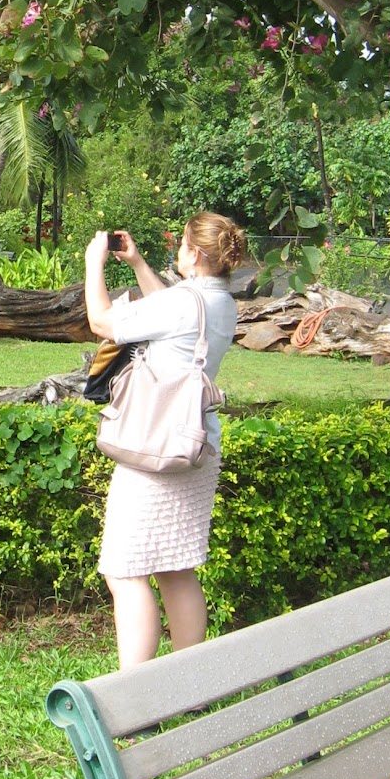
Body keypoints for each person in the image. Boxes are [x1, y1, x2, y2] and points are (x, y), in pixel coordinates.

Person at [84, 213, 247, 669]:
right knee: (176, 568)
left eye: (180, 246)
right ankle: (186, 685)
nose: (176, 251)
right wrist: (138, 264)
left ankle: (137, 692)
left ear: (194, 253)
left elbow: (102, 322)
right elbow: (176, 314)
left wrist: (93, 263)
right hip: (195, 443)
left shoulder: (183, 303)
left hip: (152, 449)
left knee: (124, 570)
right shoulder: (219, 303)